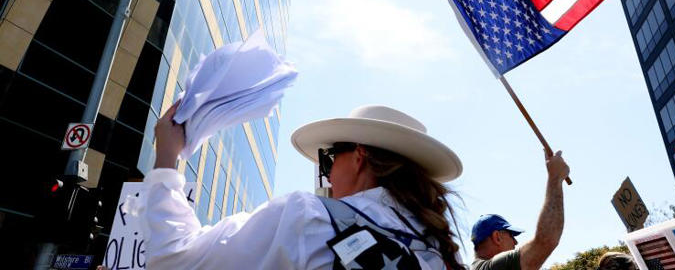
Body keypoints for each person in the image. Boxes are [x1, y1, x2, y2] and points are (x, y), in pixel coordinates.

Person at [143, 104, 465, 269]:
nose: (326, 173)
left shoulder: (308, 220)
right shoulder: (441, 252)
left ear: (359, 157)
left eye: (329, 158)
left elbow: (175, 260)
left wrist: (167, 158)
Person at [470, 150, 570, 270]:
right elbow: (545, 241)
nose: (516, 242)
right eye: (511, 235)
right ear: (497, 237)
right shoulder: (492, 267)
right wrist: (555, 177)